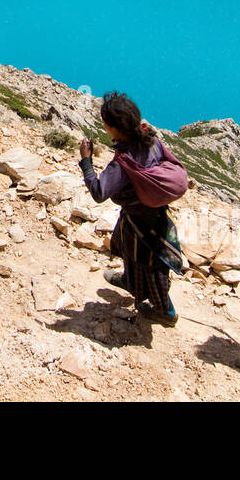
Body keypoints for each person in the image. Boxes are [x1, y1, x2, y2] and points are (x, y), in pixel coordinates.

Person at [79, 92, 186, 327]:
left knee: (151, 267)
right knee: (130, 251)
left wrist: (86, 161)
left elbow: (98, 193)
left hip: (142, 225)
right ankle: (129, 280)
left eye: (106, 123)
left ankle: (165, 312)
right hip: (153, 216)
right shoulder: (151, 139)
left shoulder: (123, 163)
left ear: (114, 128)